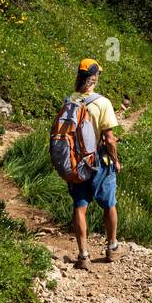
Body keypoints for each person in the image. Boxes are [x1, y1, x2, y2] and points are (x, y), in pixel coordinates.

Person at [66, 58, 122, 269]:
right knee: (109, 204)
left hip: (76, 162)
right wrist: (115, 161)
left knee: (80, 207)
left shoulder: (70, 100)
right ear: (94, 77)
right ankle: (112, 248)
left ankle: (83, 255)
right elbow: (109, 139)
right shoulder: (102, 103)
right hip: (98, 161)